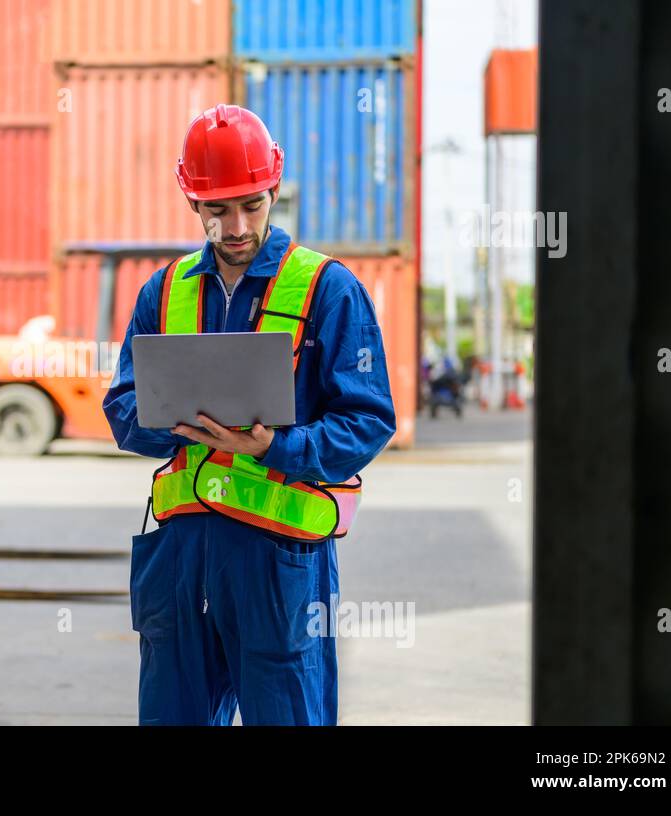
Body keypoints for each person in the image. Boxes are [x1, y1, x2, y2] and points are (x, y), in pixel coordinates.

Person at [102, 104, 396, 725]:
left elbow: (368, 421)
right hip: (182, 561)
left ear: (274, 189)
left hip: (278, 565)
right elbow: (122, 407)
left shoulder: (328, 290)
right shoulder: (164, 292)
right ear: (192, 201)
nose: (236, 225)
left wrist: (271, 448)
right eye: (218, 209)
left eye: (252, 205)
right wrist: (167, 423)